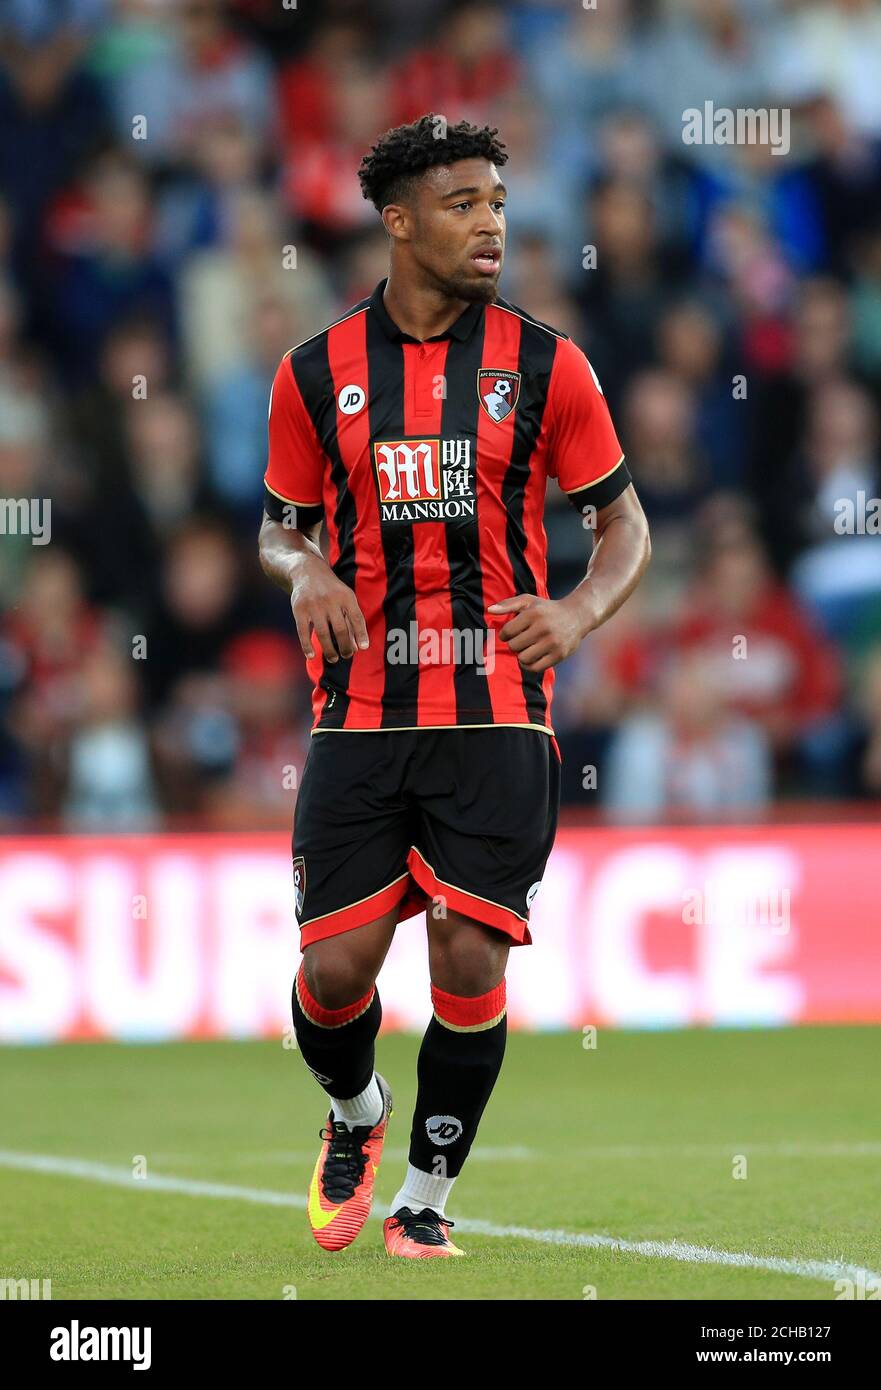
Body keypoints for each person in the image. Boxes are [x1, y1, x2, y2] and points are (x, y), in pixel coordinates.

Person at [257, 115, 650, 1259]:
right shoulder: (314, 372)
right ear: (396, 220)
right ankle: (353, 1113)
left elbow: (620, 522)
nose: (490, 224)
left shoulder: (543, 363)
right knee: (332, 974)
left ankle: (423, 1199)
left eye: (495, 202)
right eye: (462, 203)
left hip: (495, 710)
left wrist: (576, 610)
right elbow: (278, 533)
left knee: (468, 956)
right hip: (362, 710)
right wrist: (306, 565)